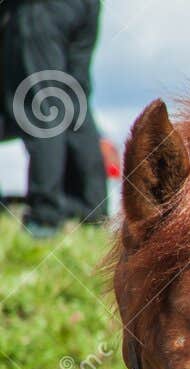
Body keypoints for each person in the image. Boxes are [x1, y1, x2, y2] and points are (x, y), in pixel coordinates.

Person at [0, 0, 107, 237]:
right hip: (85, 7)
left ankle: (45, 217)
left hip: (41, 8)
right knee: (74, 101)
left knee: (42, 104)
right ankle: (92, 211)